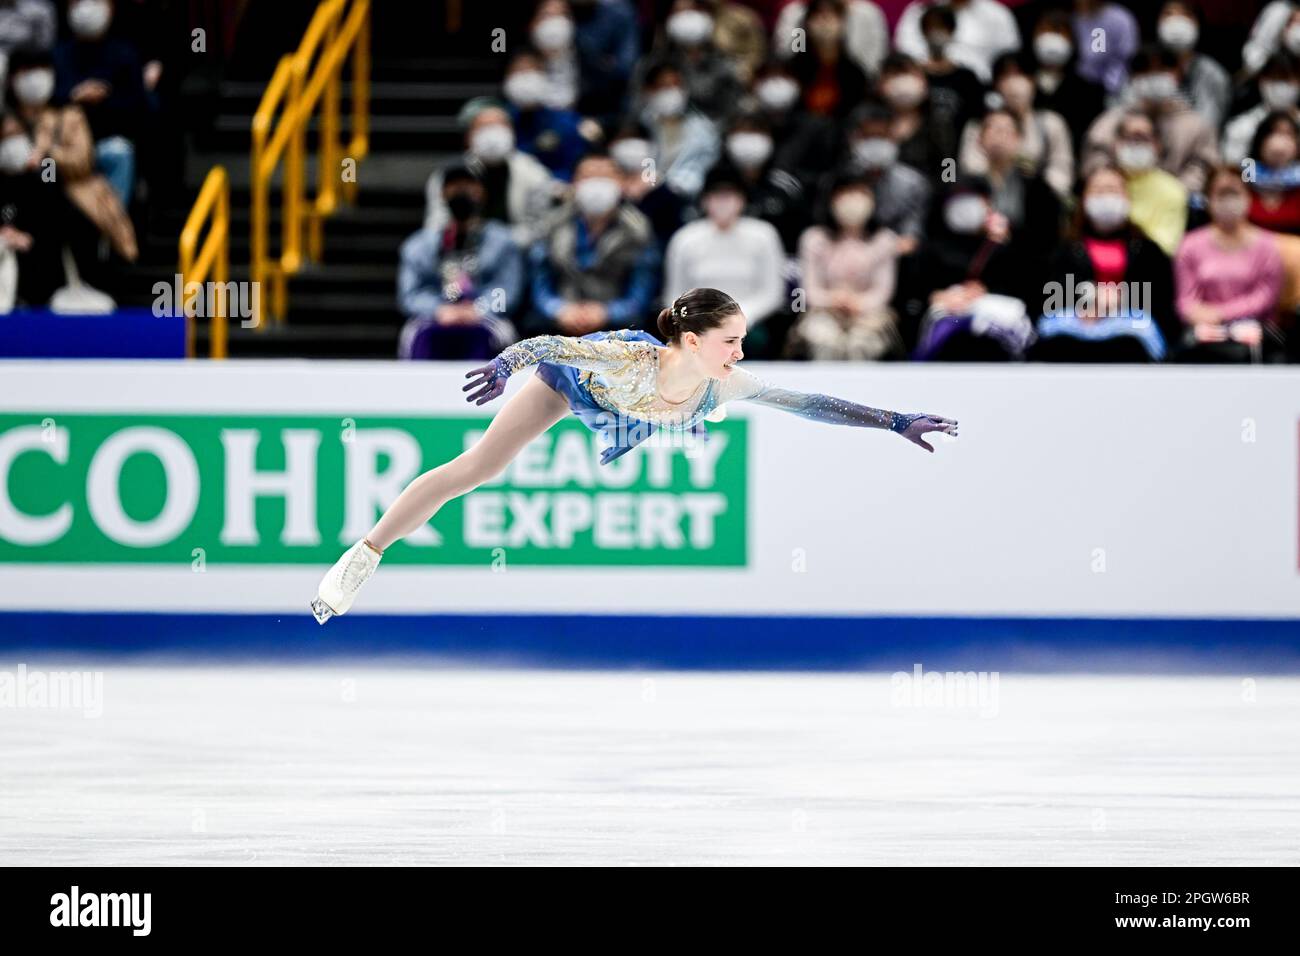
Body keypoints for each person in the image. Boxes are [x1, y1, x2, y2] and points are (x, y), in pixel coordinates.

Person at [310, 287, 959, 623]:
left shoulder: (726, 380)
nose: (740, 351)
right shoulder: (629, 352)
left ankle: (671, 425)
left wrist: (894, 420)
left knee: (692, 417)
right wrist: (506, 362)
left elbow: (810, 403)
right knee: (479, 468)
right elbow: (548, 345)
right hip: (574, 388)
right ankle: (363, 554)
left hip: (645, 415)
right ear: (693, 339)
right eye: (730, 340)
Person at [1034, 165, 1176, 362]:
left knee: (1131, 344)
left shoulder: (1148, 251)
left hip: (1129, 332)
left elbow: (1162, 300)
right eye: (1099, 191)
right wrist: (1088, 300)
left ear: (1127, 198)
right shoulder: (1065, 249)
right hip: (1075, 327)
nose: (1106, 197)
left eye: (1113, 190)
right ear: (1084, 200)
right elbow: (1049, 295)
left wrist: (1121, 300)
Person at [521, 152, 661, 337]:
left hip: (618, 330)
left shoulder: (639, 231)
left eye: (605, 177)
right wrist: (560, 310)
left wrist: (606, 312)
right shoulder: (551, 226)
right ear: (573, 183)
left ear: (621, 182)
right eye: (588, 176)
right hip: (557, 325)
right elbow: (539, 284)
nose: (596, 184)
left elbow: (640, 295)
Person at [397, 165, 524, 360]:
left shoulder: (503, 241)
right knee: (416, 336)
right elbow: (411, 295)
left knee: (499, 341)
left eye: (469, 185)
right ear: (442, 194)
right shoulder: (418, 245)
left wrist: (478, 309)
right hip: (435, 317)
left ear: (482, 192)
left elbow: (507, 289)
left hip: (487, 318)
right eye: (455, 186)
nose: (462, 192)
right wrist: (439, 310)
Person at [663, 165, 788, 356]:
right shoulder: (685, 239)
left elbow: (772, 293)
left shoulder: (764, 235)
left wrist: (741, 316)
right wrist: (697, 320)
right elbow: (673, 294)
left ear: (742, 199)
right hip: (698, 324)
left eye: (729, 195)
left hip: (750, 323)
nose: (723, 202)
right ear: (705, 200)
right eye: (716, 195)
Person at [1174, 164, 1286, 362]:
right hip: (1205, 331)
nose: (1228, 200)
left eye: (1234, 193)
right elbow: (1185, 301)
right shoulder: (1189, 245)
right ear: (1209, 200)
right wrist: (1200, 316)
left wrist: (1221, 313)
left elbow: (1265, 296)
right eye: (1222, 194)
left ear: (1248, 197)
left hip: (1257, 329)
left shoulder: (1268, 245)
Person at [788, 174, 903, 360]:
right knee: (823, 338)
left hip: (870, 313)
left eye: (860, 193)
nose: (853, 201)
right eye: (846, 193)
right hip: (824, 311)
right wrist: (833, 299)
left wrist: (859, 303)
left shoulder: (884, 240)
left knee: (860, 343)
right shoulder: (814, 238)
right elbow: (809, 289)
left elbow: (883, 291)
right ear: (831, 200)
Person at [423, 100, 558, 247]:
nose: (492, 133)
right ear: (468, 137)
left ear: (512, 133)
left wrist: (500, 243)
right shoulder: (449, 175)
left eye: (500, 125)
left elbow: (540, 227)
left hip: (518, 252)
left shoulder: (534, 173)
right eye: (484, 126)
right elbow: (435, 224)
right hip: (462, 248)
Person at [1246, 111, 1300, 233]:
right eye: (1273, 133)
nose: (1279, 142)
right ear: (1260, 141)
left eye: (1288, 134)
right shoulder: (1244, 176)